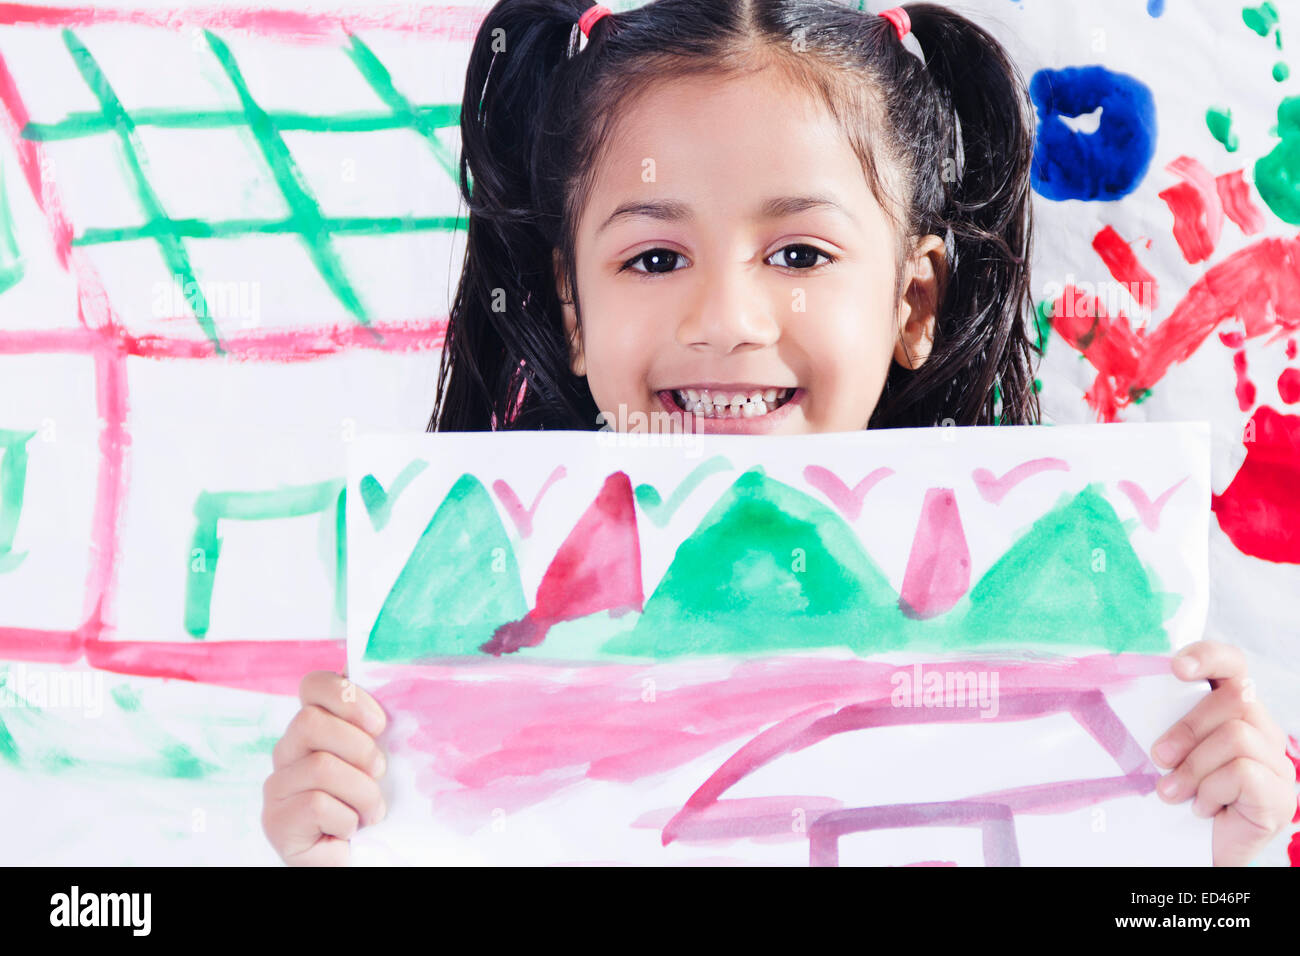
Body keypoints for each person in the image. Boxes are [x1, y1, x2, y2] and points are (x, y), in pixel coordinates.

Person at [262, 0, 1298, 865]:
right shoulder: (408, 729)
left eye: (799, 254)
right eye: (655, 259)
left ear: (913, 300)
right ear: (572, 310)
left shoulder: (1124, 703)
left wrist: (1215, 869)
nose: (727, 320)